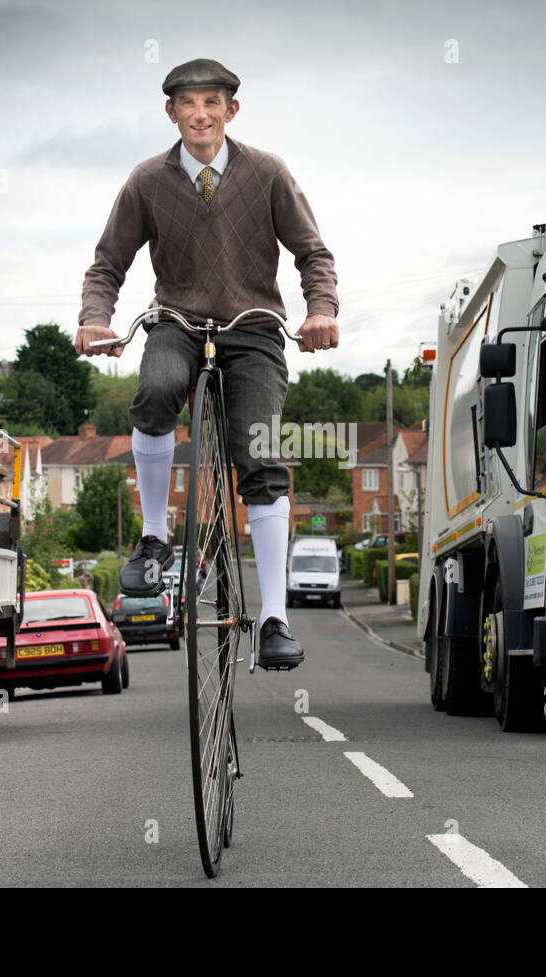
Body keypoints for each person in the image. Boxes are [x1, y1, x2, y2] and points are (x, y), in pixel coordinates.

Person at [75, 58, 339, 670]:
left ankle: (273, 619)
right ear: (171, 113)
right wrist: (95, 317)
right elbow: (107, 264)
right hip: (179, 323)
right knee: (158, 387)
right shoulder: (146, 180)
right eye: (188, 104)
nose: (200, 114)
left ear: (230, 111)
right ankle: (154, 541)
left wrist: (320, 310)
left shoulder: (267, 172)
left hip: (255, 330)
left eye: (212, 103)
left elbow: (313, 254)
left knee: (261, 452)